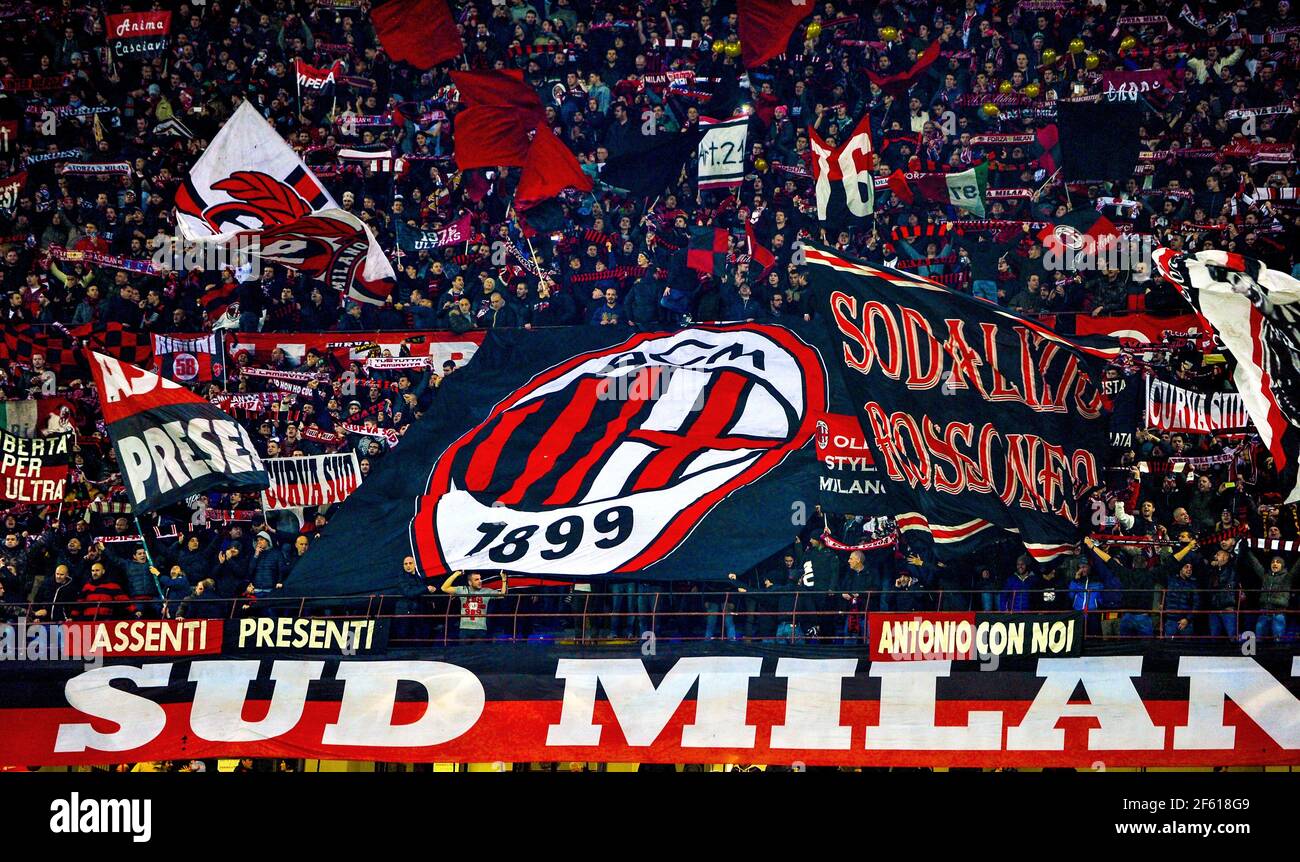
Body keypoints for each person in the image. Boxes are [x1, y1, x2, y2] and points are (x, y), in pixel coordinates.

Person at [1244, 549, 1297, 640]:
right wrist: (1247, 551)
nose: (1275, 564)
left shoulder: (1287, 577)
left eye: (1278, 562)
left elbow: (1297, 567)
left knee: (1278, 640)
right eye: (1273, 562)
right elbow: (1255, 564)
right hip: (1264, 612)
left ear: (1282, 565)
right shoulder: (1265, 576)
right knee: (1258, 639)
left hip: (1278, 613)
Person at [440, 570, 507, 641]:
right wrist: (455, 574)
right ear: (470, 582)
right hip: (465, 628)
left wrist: (504, 580)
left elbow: (502, 595)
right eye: (476, 579)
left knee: (479, 651)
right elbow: (444, 588)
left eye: (480, 579)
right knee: (463, 651)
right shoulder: (462, 590)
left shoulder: (486, 591)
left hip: (481, 629)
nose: (480, 581)